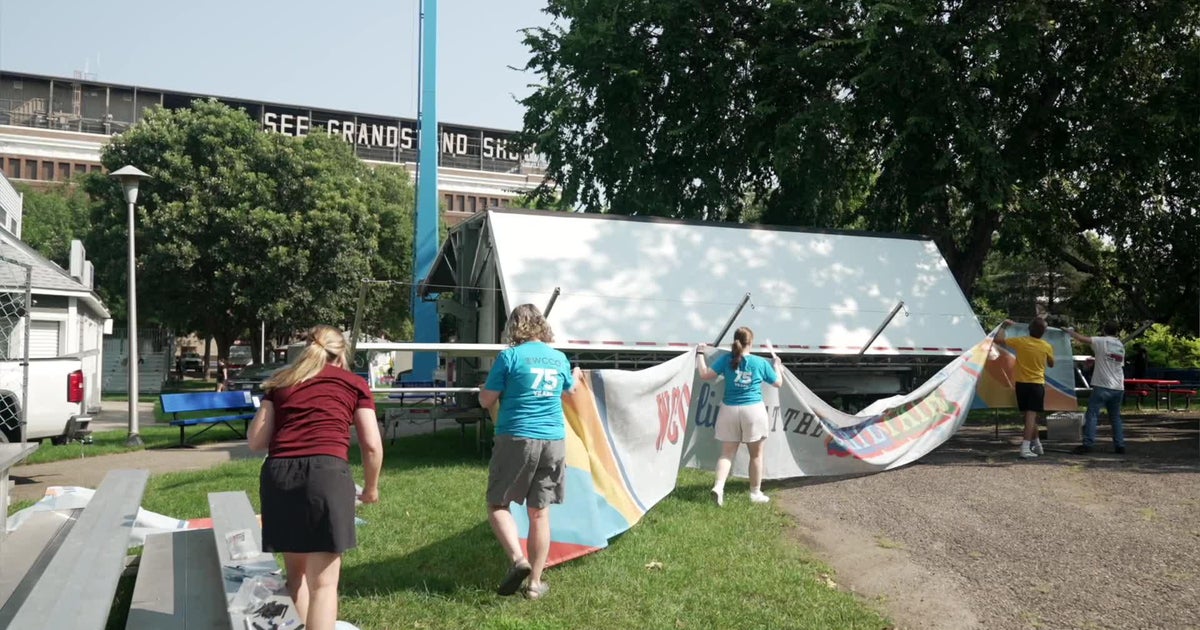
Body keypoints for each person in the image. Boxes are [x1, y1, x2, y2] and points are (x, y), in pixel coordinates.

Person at [247, 325, 383, 630]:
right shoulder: (353, 383)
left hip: (279, 476)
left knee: (296, 578)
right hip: (326, 475)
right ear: (341, 355)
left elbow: (256, 441)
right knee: (323, 585)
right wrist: (371, 488)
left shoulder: (281, 381)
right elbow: (372, 445)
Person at [479, 304, 580, 600]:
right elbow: (570, 391)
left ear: (514, 327)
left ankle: (517, 560)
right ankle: (535, 584)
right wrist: (575, 374)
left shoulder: (509, 357)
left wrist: (484, 389)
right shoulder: (559, 358)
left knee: (497, 503)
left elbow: (486, 400)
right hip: (553, 440)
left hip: (517, 437)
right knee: (539, 513)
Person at [695, 326, 782, 506]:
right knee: (756, 455)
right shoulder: (760, 362)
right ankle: (755, 493)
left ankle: (719, 487)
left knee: (726, 454)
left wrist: (700, 353)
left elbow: (704, 374)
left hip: (729, 410)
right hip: (753, 411)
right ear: (751, 342)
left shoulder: (726, 359)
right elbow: (778, 383)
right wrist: (777, 367)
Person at [995, 318, 1056, 459]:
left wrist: (1004, 326)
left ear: (1029, 329)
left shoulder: (1021, 341)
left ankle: (1037, 445)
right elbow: (1051, 364)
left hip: (1021, 384)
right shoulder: (1046, 346)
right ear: (1044, 332)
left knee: (1028, 417)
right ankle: (1025, 448)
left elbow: (998, 340)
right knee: (1031, 417)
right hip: (1036, 385)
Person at [1066, 322, 1126, 454]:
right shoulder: (1120, 345)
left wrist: (1069, 332)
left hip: (1102, 384)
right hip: (1118, 385)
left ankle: (1088, 444)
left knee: (1092, 414)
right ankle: (1120, 445)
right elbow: (1113, 362)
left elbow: (1081, 338)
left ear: (1104, 330)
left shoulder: (1101, 341)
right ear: (1117, 332)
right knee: (1115, 417)